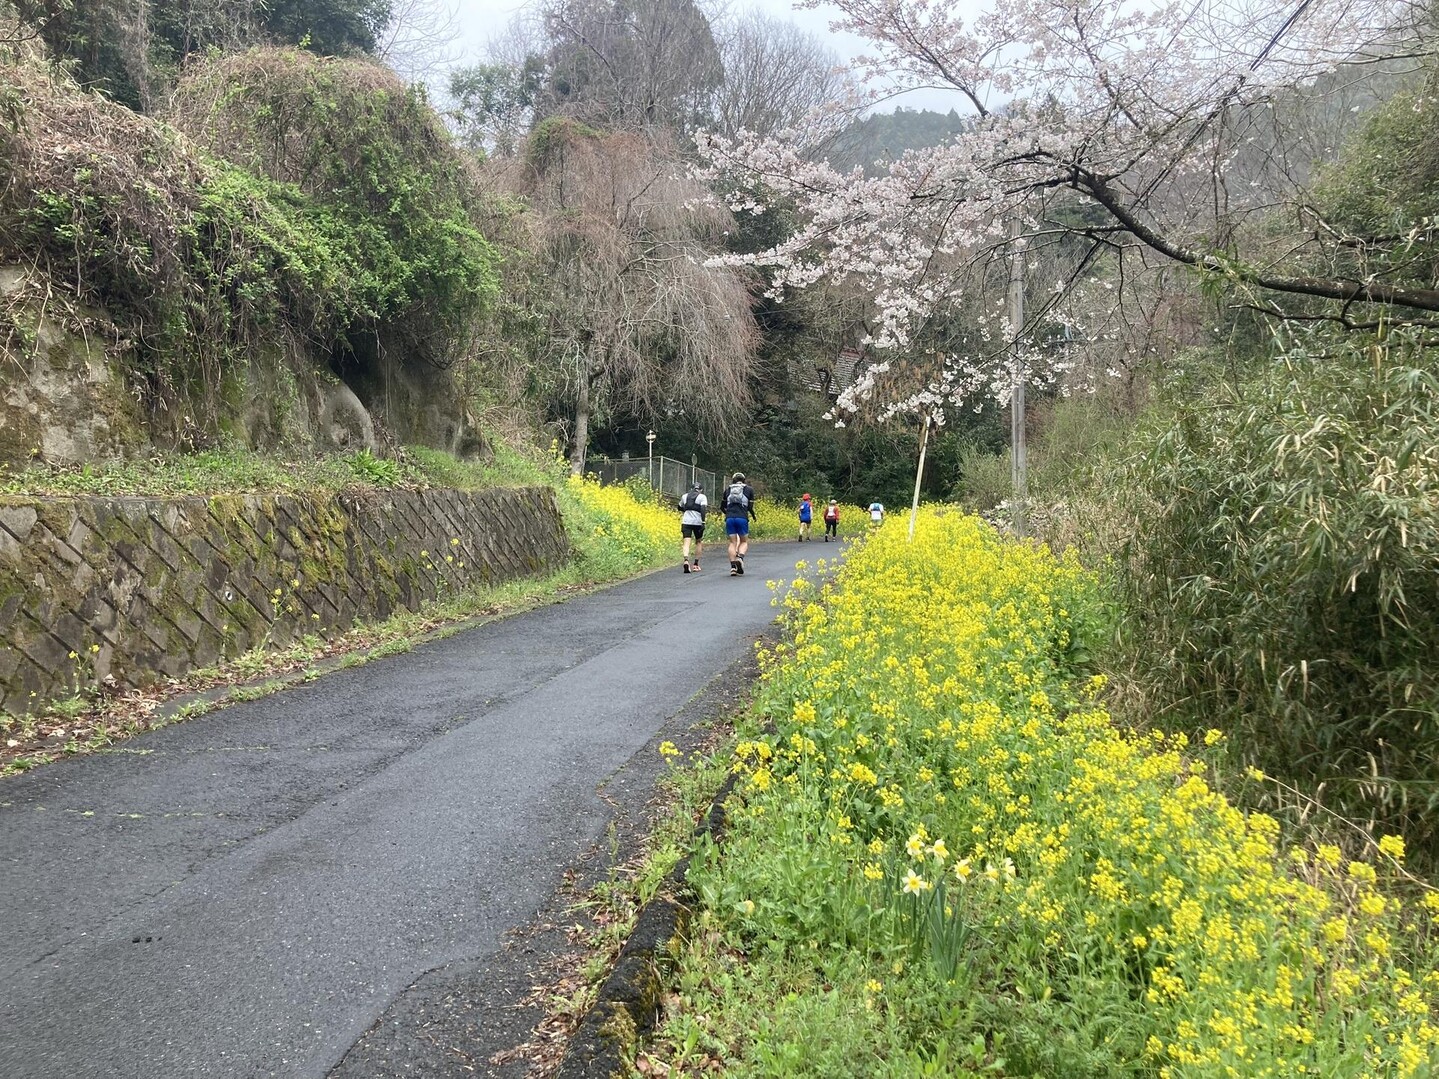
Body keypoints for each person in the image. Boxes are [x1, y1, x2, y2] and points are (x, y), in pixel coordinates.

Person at [722, 471, 758, 576]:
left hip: (730, 518)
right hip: (742, 517)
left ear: (733, 480)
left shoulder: (728, 490)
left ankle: (733, 567)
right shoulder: (749, 490)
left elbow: (722, 506)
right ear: (744, 480)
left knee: (732, 543)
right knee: (744, 541)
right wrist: (753, 516)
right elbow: (750, 507)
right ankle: (740, 558)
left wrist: (727, 514)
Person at [678, 482, 707, 573]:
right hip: (697, 522)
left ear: (691, 489)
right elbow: (703, 509)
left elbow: (679, 507)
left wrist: (686, 510)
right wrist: (703, 521)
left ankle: (686, 560)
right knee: (698, 541)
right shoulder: (702, 497)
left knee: (686, 542)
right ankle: (696, 564)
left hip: (686, 521)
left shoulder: (684, 496)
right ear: (701, 490)